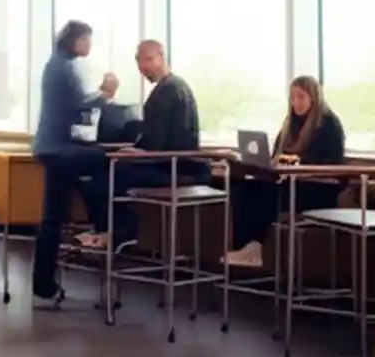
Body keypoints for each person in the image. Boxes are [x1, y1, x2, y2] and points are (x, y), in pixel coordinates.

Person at [79, 39, 202, 250]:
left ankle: (117, 232)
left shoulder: (167, 91)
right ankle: (114, 230)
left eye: (148, 59)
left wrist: (135, 152)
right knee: (110, 172)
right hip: (178, 165)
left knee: (100, 179)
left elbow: (155, 145)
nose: (143, 67)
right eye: (139, 62)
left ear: (162, 57)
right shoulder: (177, 87)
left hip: (172, 168)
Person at [31, 20, 119, 300]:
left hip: (52, 147)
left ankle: (44, 282)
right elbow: (82, 105)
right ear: (76, 40)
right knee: (106, 161)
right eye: (87, 40)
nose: (89, 46)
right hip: (61, 150)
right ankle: (105, 227)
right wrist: (106, 93)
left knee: (53, 216)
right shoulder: (66, 68)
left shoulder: (56, 64)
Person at [223, 75, 346, 268]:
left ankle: (259, 248)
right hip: (288, 180)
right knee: (243, 189)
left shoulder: (328, 125)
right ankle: (249, 246)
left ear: (314, 98)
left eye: (301, 97)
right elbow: (276, 155)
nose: (296, 102)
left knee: (270, 194)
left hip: (316, 186)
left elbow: (332, 163)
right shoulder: (289, 124)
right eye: (293, 97)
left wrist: (296, 163)